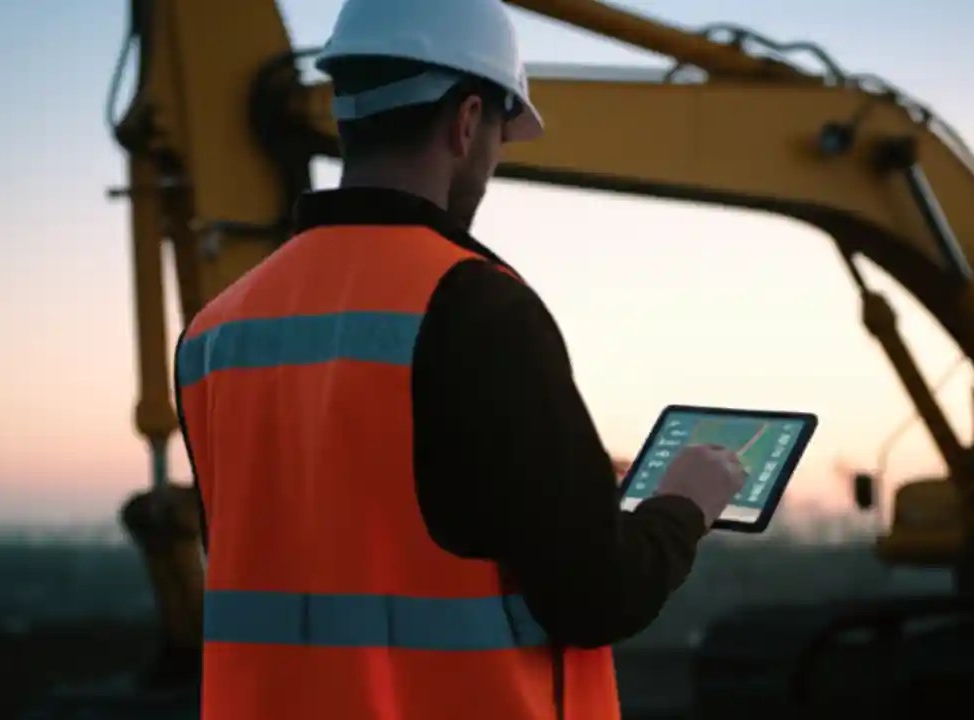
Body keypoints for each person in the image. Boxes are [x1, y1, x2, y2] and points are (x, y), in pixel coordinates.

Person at [173, 0, 747, 718]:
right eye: (501, 134)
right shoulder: (477, 306)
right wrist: (684, 504)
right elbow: (598, 594)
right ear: (468, 120)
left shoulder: (215, 331)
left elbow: (338, 532)